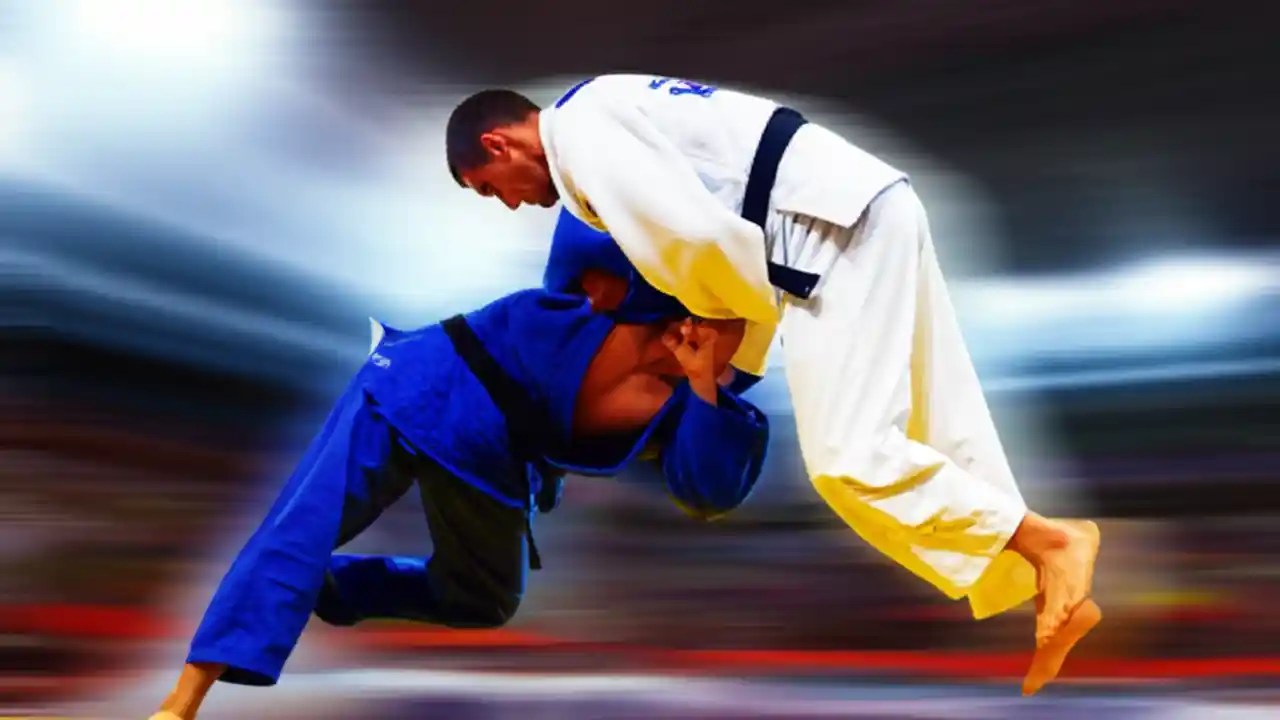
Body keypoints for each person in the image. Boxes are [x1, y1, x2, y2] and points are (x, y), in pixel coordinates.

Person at [445, 75, 1101, 695]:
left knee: (847, 458)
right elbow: (704, 239)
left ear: (496, 143)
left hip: (828, 229)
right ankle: (1049, 583)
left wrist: (722, 342)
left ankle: (1053, 545)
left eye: (488, 186)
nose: (506, 202)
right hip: (848, 209)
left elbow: (702, 239)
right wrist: (723, 361)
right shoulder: (594, 119)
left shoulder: (583, 136)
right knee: (933, 422)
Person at [149, 289, 768, 720]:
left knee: (487, 599)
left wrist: (703, 385)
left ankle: (325, 586)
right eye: (704, 316)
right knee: (302, 526)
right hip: (420, 377)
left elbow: (707, 491)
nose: (699, 333)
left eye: (724, 338)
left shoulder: (698, 409)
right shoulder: (611, 293)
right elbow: (585, 223)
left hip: (487, 453)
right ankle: (180, 704)